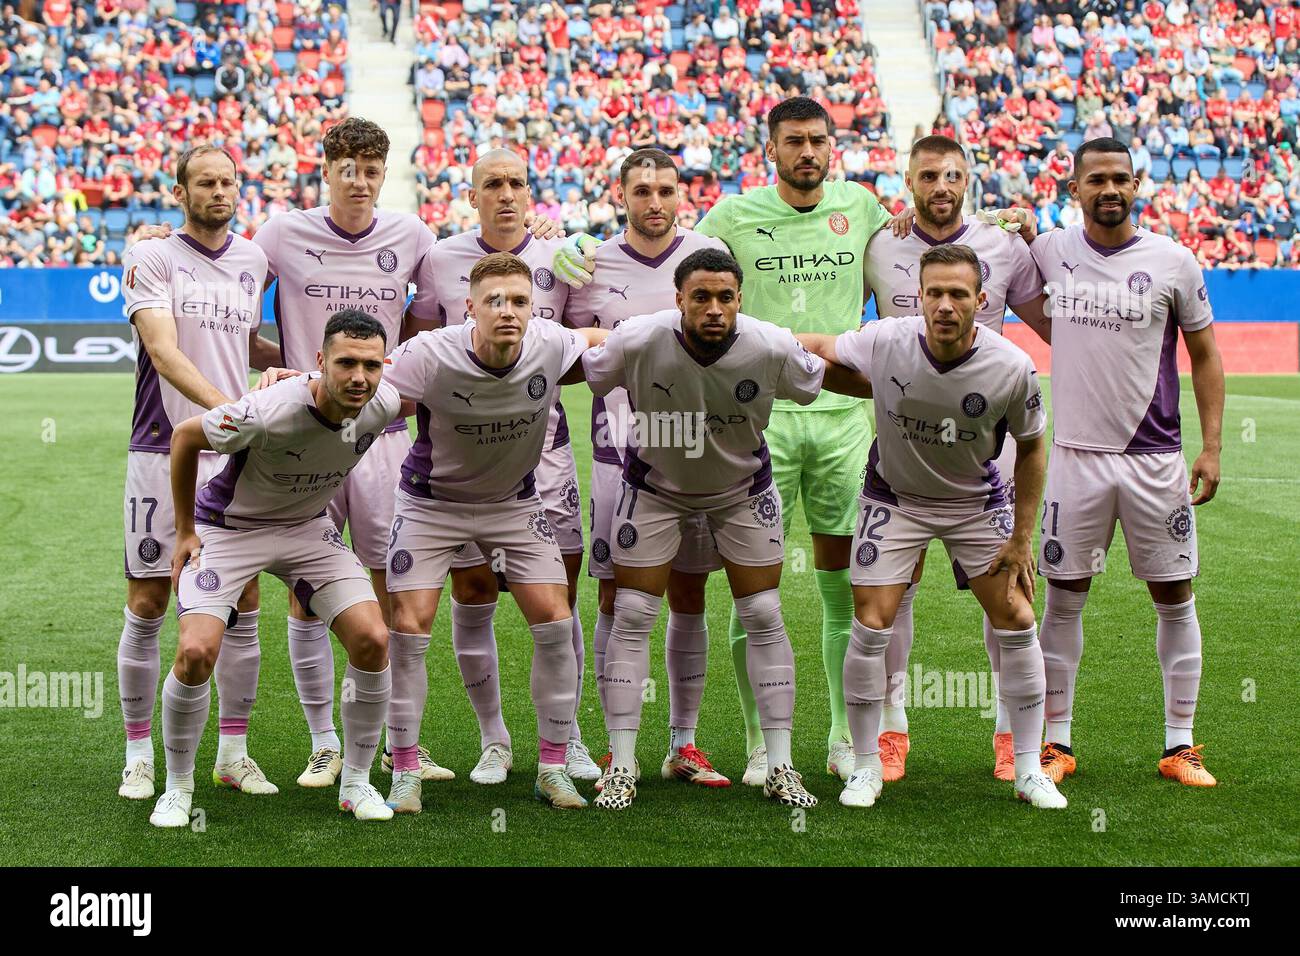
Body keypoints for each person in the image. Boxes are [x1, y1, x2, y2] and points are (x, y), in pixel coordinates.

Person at [581, 248, 873, 810]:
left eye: (725, 297)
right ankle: (620, 765)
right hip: (656, 490)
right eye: (701, 298)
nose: (714, 308)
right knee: (634, 614)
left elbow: (822, 378)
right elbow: (585, 365)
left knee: (763, 613)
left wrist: (904, 383)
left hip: (741, 492)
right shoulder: (638, 337)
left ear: (740, 299)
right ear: (678, 301)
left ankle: (780, 765)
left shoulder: (769, 343)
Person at [800, 243, 1065, 810]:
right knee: (871, 622)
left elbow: (1035, 446)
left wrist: (1023, 537)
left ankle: (1027, 769)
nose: (945, 305)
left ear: (982, 300)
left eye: (959, 294)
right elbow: (820, 348)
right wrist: (752, 340)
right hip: (895, 500)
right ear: (918, 297)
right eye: (935, 293)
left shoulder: (1011, 366)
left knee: (1018, 618)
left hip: (976, 502)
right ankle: (866, 766)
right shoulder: (886, 339)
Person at [695, 96, 892, 786]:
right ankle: (758, 744)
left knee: (843, 589)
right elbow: (677, 280)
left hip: (842, 423)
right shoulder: (730, 217)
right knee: (757, 592)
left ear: (831, 146)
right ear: (769, 149)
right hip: (757, 426)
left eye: (818, 140)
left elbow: (926, 241)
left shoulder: (861, 207)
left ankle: (842, 738)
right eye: (793, 141)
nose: (807, 151)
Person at [1021, 137, 1224, 787]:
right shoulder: (1051, 251)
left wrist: (1213, 445)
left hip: (1155, 459)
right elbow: (1011, 282)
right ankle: (1056, 744)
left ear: (1138, 185)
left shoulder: (1173, 261)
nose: (1110, 189)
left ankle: (1180, 744)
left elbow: (1207, 356)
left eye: (1121, 179)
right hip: (1076, 457)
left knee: (1173, 594)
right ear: (1073, 189)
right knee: (1065, 597)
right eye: (1096, 180)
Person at [154, 311, 404, 827]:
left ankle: (356, 784)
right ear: (320, 362)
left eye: (371, 365)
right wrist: (183, 531)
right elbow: (183, 437)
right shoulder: (265, 412)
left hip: (306, 529)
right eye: (346, 363)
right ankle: (177, 787)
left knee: (373, 640)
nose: (360, 377)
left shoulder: (385, 404)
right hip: (228, 528)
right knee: (197, 651)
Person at [381, 253, 606, 812]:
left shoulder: (551, 343)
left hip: (514, 503)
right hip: (433, 504)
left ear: (534, 308)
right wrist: (300, 380)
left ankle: (553, 766)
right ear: (469, 308)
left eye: (520, 301)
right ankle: (404, 769)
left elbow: (606, 339)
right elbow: (359, 378)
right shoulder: (428, 353)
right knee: (408, 630)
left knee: (556, 620)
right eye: (495, 302)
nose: (508, 312)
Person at [412, 149, 602, 785]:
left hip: (544, 454)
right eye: (491, 183)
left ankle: (567, 737)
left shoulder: (562, 253)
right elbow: (417, 346)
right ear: (472, 195)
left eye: (516, 183)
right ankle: (494, 739)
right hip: (461, 462)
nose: (505, 193)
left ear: (531, 192)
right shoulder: (439, 258)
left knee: (559, 601)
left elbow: (581, 352)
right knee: (473, 592)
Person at [864, 134, 1050, 782]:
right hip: (904, 452)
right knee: (895, 592)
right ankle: (891, 729)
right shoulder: (880, 242)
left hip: (986, 456)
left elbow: (1052, 321)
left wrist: (1036, 225)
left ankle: (1009, 732)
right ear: (909, 181)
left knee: (1004, 595)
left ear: (968, 179)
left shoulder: (1005, 243)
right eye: (928, 175)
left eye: (951, 175)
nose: (940, 185)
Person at [558, 148, 732, 789]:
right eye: (641, 190)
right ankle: (615, 745)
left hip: (701, 460)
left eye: (664, 189)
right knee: (615, 597)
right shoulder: (589, 264)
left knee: (690, 594)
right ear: (622, 195)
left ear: (680, 193)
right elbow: (561, 346)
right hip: (619, 457)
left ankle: (683, 744)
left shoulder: (708, 254)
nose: (653, 201)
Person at [116, 145, 274, 803]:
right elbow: (164, 348)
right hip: (162, 448)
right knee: (151, 601)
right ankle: (138, 754)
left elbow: (248, 345)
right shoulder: (150, 255)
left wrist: (316, 366)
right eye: (205, 182)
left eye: (228, 182)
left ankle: (232, 753)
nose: (219, 191)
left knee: (243, 603)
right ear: (180, 192)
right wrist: (231, 409)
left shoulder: (253, 260)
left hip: (232, 456)